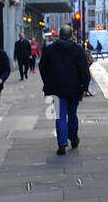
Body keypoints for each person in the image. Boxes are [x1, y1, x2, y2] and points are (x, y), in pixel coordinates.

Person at [39, 25, 91, 155]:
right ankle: (73, 138)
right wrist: (84, 87)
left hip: (56, 89)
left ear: (59, 35)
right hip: (74, 88)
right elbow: (84, 69)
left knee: (60, 116)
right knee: (72, 114)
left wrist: (47, 82)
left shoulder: (50, 49)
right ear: (71, 35)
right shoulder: (78, 49)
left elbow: (42, 67)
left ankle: (62, 144)